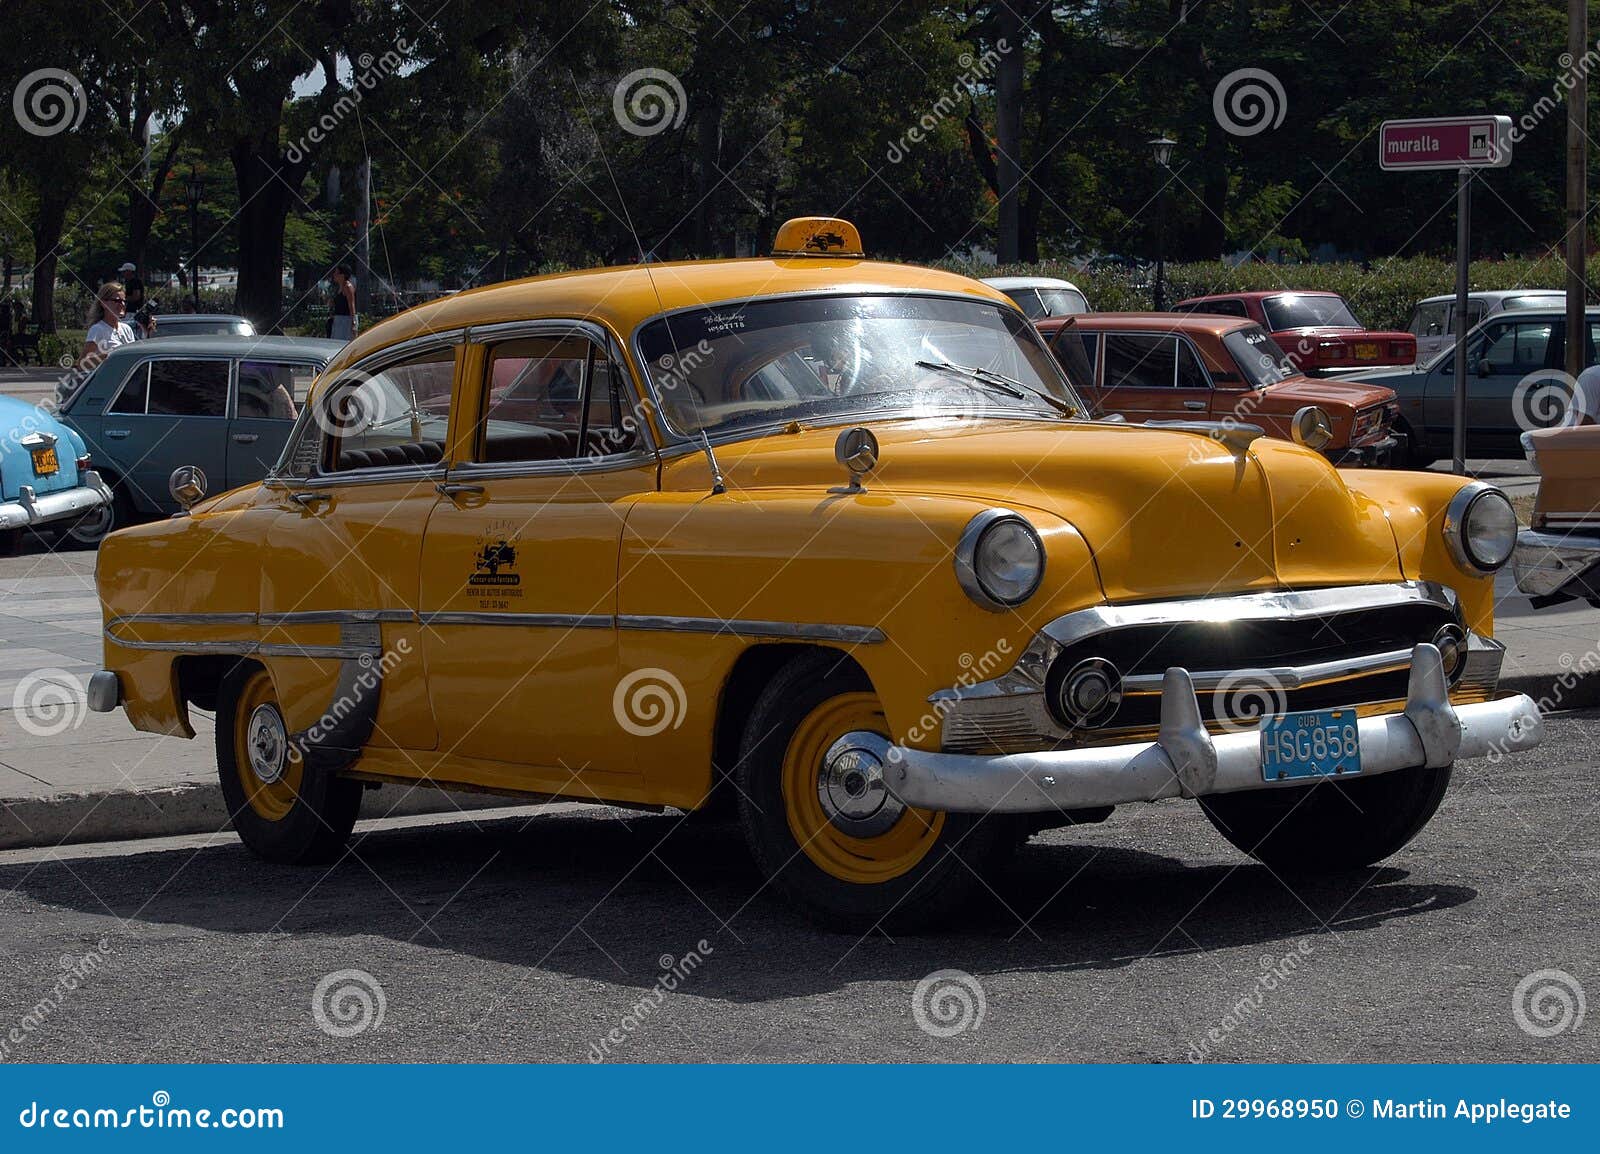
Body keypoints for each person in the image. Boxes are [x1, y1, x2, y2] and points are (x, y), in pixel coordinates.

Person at [80, 282, 136, 367]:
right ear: (103, 303)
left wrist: (146, 331)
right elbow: (82, 363)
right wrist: (111, 355)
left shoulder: (127, 329)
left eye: (124, 301)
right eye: (117, 301)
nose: (122, 304)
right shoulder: (97, 329)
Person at [328, 265, 357, 341]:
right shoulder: (338, 287)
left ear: (342, 275)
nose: (334, 275)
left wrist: (353, 323)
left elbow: (351, 304)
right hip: (338, 319)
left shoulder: (347, 287)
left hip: (346, 320)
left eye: (336, 273)